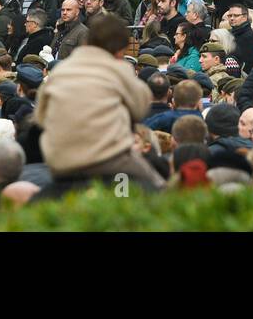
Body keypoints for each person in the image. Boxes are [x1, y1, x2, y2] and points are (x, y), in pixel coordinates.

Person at [34, 14, 164, 189]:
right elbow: (141, 108)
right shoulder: (119, 69)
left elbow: (40, 117)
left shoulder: (61, 69)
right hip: (110, 162)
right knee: (156, 184)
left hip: (60, 161)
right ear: (120, 50)